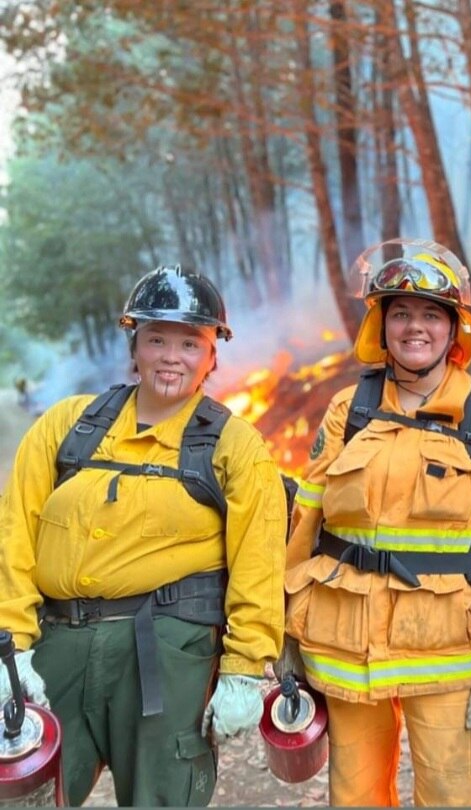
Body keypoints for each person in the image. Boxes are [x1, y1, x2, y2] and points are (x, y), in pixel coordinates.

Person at [0, 265, 287, 806]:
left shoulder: (235, 447)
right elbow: (13, 533)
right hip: (56, 645)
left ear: (211, 355)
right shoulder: (68, 424)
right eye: (156, 339)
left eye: (189, 343)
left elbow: (259, 562)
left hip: (168, 652)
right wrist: (8, 646)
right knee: (22, 793)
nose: (171, 356)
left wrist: (245, 670)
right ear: (135, 346)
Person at [275, 239, 471, 807]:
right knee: (355, 795)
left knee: (449, 794)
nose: (415, 327)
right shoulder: (349, 410)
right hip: (347, 643)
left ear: (454, 330)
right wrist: (284, 626)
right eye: (402, 313)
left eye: (431, 315)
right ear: (382, 325)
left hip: (445, 648)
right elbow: (305, 519)